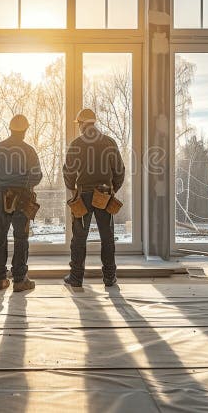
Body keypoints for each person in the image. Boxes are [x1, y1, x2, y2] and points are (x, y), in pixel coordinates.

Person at [63, 108, 125, 288]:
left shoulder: (77, 144)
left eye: (79, 124)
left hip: (83, 195)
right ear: (94, 122)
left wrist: (72, 190)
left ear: (82, 124)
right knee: (107, 237)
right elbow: (119, 171)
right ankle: (109, 277)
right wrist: (112, 189)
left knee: (79, 238)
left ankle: (76, 277)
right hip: (104, 195)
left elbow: (68, 172)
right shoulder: (109, 142)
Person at [0, 114, 42, 292]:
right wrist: (25, 184)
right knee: (21, 237)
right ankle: (19, 279)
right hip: (22, 196)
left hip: (1, 195)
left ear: (10, 128)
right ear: (25, 130)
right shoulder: (28, 150)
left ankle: (0, 279)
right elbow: (37, 176)